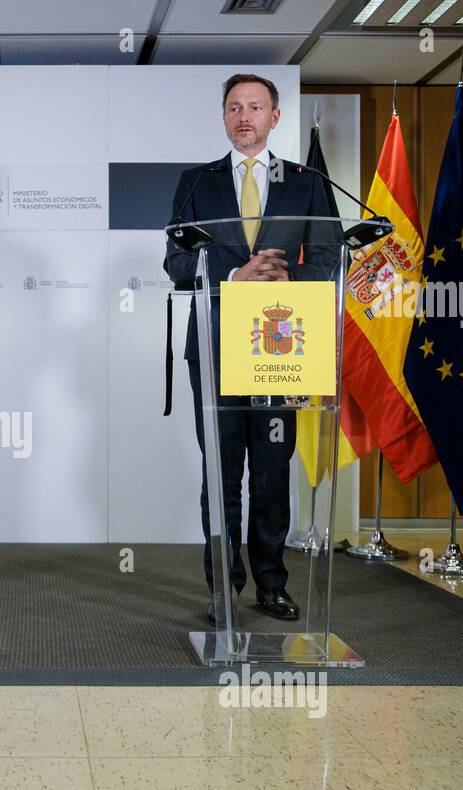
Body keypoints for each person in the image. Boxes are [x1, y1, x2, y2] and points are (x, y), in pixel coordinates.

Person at [163, 73, 339, 626]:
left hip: (279, 345)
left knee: (270, 468)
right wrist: (234, 273)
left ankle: (270, 582)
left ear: (275, 117)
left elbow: (332, 256)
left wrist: (287, 280)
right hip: (214, 346)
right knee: (221, 472)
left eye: (256, 107)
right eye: (235, 107)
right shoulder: (197, 182)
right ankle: (223, 586)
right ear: (224, 117)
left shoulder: (307, 181)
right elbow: (174, 263)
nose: (245, 116)